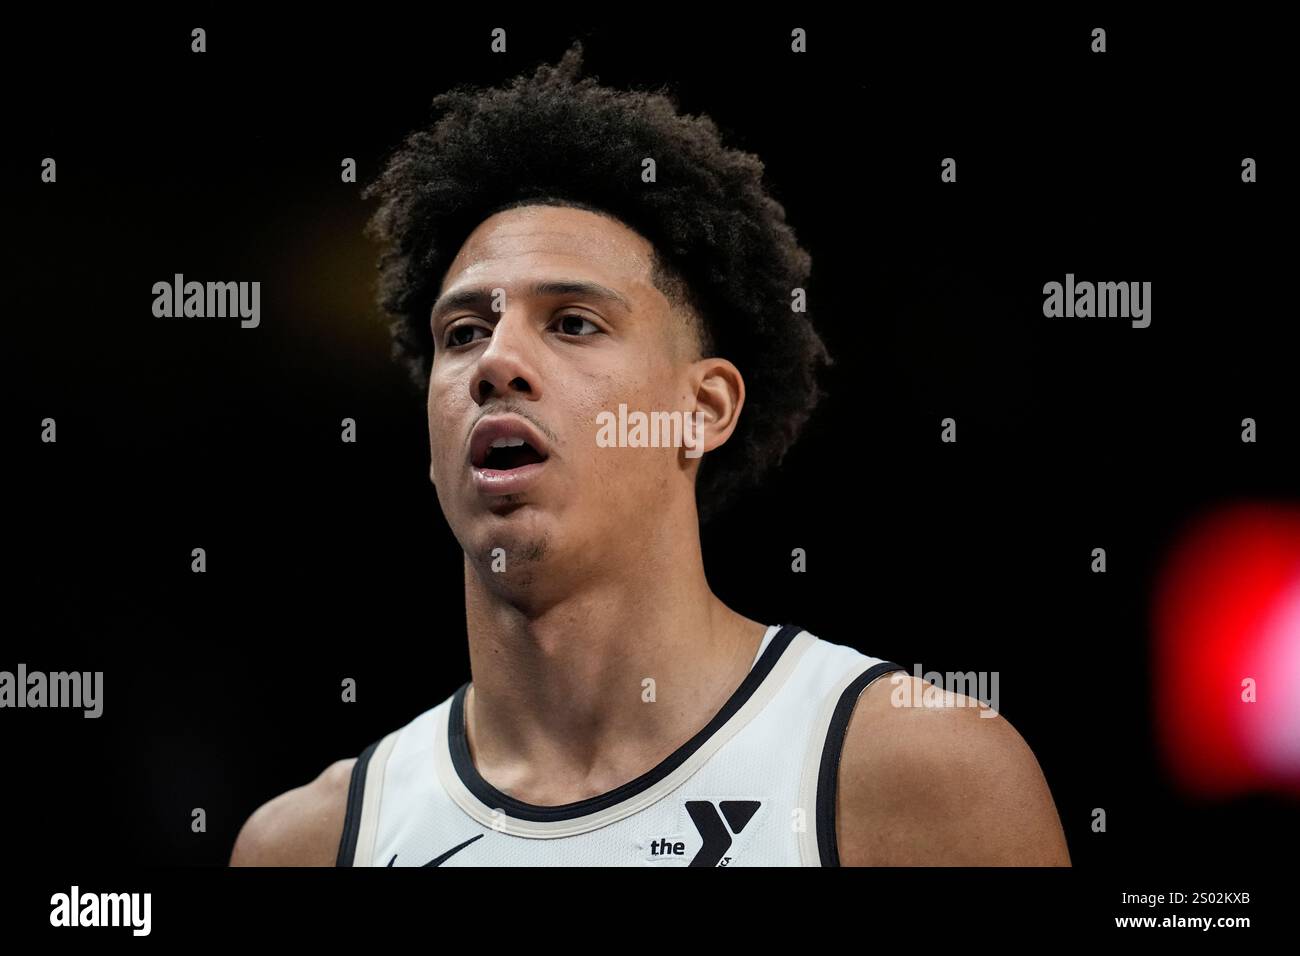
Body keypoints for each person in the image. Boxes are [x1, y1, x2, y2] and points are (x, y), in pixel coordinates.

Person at [230, 41, 1070, 867]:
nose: (494, 363)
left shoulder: (915, 774)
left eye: (572, 323)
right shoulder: (309, 843)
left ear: (700, 410)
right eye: (464, 333)